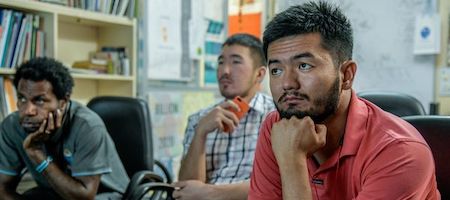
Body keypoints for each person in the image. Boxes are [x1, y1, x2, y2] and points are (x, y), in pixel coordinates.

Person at [248, 1, 440, 200]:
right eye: (276, 70)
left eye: (304, 66)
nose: (287, 83)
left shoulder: (400, 152)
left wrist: (292, 161)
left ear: (346, 75)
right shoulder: (277, 127)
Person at [0, 57, 129, 199]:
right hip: (56, 193)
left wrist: (37, 153)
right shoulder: (12, 126)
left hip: (105, 195)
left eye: (40, 100)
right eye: (22, 99)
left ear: (63, 102)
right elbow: (2, 188)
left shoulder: (87, 126)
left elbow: (83, 197)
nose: (28, 111)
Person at [173, 33, 275, 200]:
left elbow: (275, 185)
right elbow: (186, 190)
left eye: (236, 62)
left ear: (260, 74)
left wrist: (210, 193)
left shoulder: (276, 116)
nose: (225, 71)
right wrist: (201, 133)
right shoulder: (199, 119)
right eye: (221, 62)